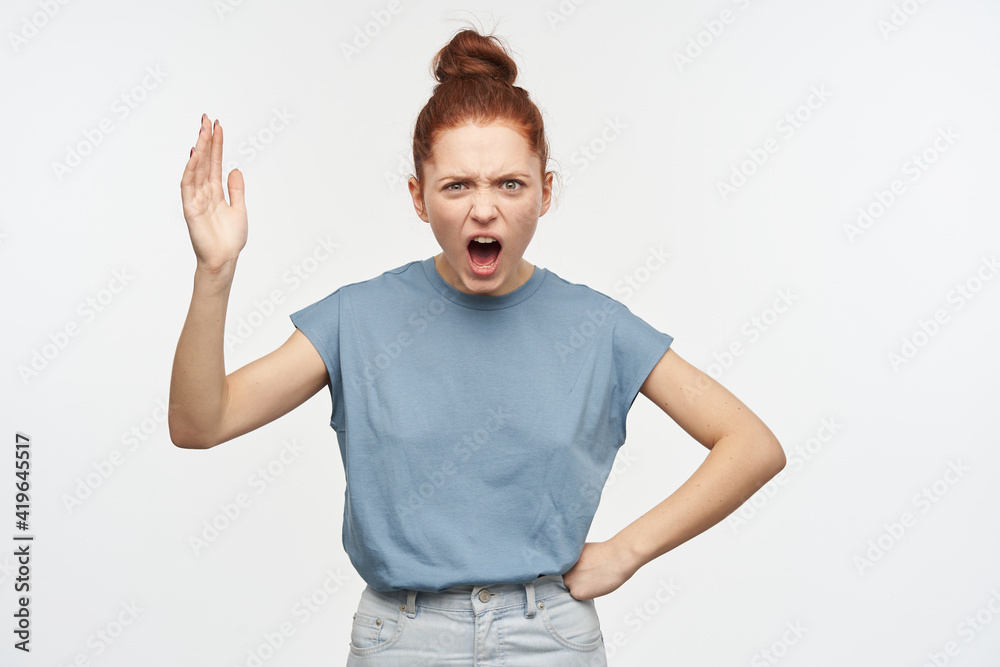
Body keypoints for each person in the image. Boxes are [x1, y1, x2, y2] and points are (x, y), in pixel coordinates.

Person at [170, 26, 786, 666]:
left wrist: (626, 551)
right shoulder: (359, 318)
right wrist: (215, 270)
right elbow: (199, 423)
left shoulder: (597, 326)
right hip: (402, 640)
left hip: (548, 638)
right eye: (457, 185)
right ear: (419, 197)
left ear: (546, 192)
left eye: (510, 184)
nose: (484, 209)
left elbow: (751, 446)